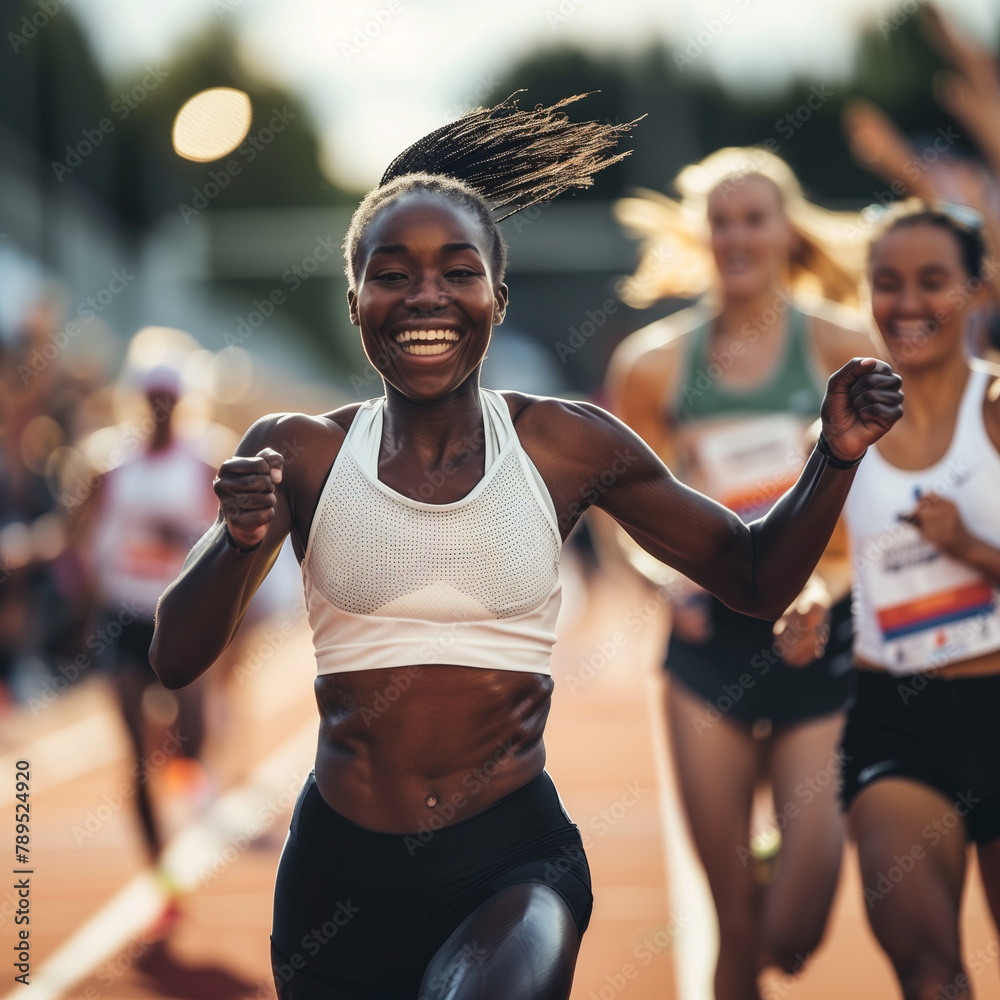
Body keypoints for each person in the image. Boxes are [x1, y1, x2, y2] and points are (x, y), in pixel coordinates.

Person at [150, 97, 902, 1000]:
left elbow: (752, 575)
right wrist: (237, 545)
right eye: (392, 273)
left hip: (510, 866)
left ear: (497, 298)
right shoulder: (300, 450)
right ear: (354, 301)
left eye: (457, 271)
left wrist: (833, 457)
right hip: (337, 882)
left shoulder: (564, 445)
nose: (426, 295)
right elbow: (176, 657)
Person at [605, 147, 884, 999]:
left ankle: (773, 872)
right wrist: (663, 582)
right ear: (702, 236)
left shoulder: (843, 347)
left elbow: (879, 510)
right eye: (720, 221)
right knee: (733, 929)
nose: (736, 237)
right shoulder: (653, 364)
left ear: (787, 231)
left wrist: (821, 592)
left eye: (754, 218)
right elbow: (624, 510)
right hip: (710, 645)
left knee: (792, 934)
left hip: (819, 634)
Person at [841, 203, 1000, 1000]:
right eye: (888, 282)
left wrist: (971, 548)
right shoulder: (844, 427)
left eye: (932, 280)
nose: (907, 303)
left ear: (977, 289)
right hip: (896, 717)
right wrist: (808, 604)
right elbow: (825, 561)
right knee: (929, 979)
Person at [84, 363, 217, 883]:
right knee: (135, 753)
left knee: (191, 739)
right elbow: (88, 543)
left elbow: (224, 543)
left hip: (179, 616)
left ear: (181, 404)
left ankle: (177, 753)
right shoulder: (113, 467)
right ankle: (158, 865)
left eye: (168, 399)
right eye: (152, 399)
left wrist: (178, 536)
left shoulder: (201, 466)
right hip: (123, 617)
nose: (160, 409)